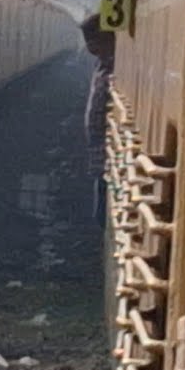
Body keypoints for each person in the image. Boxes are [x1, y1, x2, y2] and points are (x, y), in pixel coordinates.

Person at [80, 13, 116, 220]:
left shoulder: (113, 66)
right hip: (100, 155)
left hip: (107, 154)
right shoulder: (102, 64)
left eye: (92, 40)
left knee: (103, 211)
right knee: (100, 207)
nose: (89, 47)